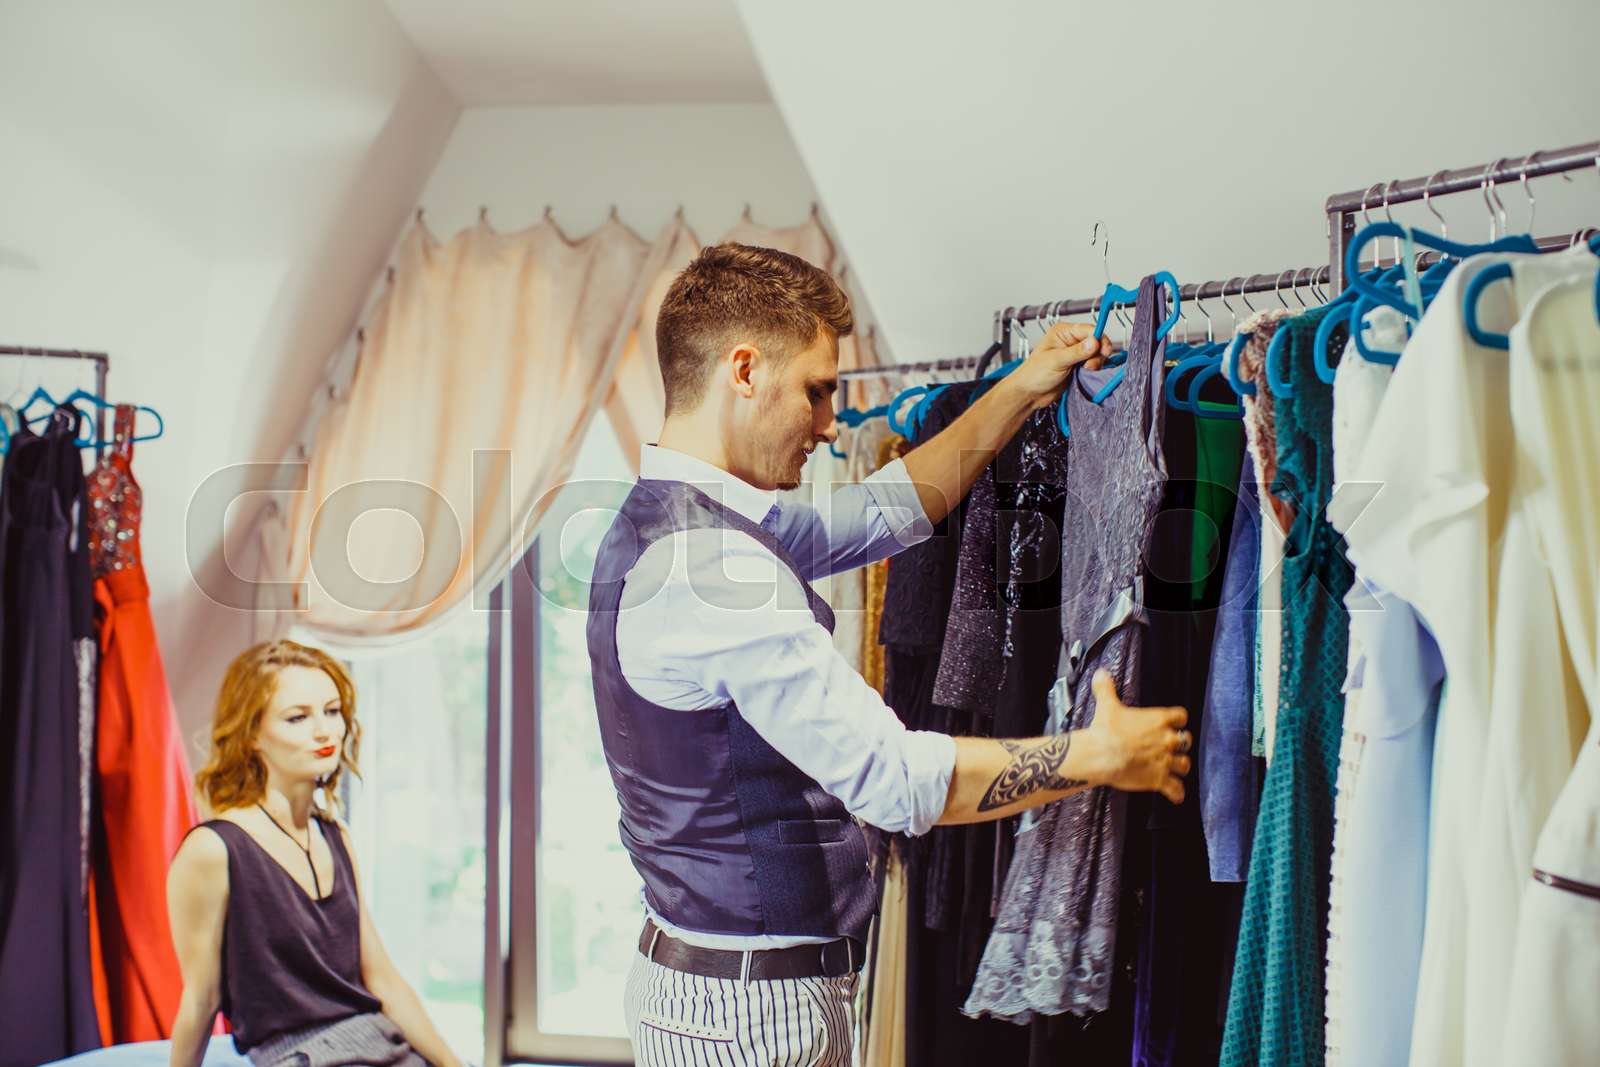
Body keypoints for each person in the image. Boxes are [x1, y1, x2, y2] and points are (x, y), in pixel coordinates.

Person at [588, 242, 1192, 1066]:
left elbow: (883, 511)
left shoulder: (669, 519)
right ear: (743, 370)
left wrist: (1020, 388)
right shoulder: (713, 567)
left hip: (720, 986)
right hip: (750, 1013)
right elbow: (898, 780)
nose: (829, 423)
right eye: (817, 389)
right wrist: (1095, 754)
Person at [165, 640, 465, 1067]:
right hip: (301, 1056)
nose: (325, 731)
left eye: (332, 711)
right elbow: (201, 999)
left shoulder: (334, 835)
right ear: (251, 733)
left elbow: (382, 979)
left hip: (382, 1042)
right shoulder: (213, 849)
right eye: (297, 717)